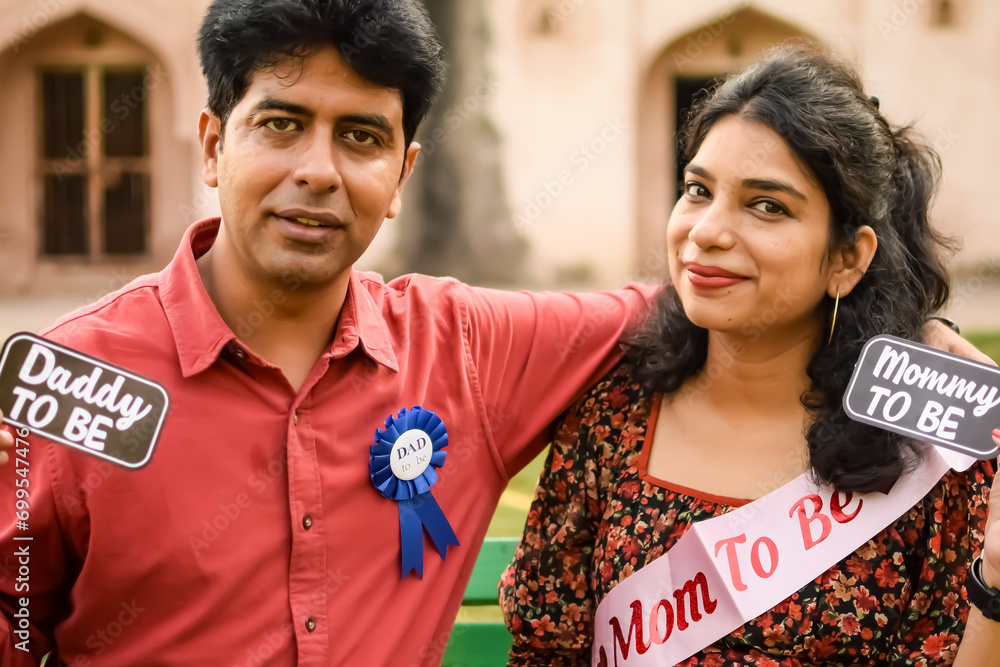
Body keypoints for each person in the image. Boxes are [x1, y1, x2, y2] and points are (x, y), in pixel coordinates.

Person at [0, 4, 983, 665]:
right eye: (280, 123)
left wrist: (914, 346)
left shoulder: (471, 347)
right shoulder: (73, 384)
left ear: (404, 167)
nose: (318, 170)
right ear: (213, 142)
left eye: (360, 137)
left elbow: (714, 293)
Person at [500, 46, 1000, 666]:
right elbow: (548, 649)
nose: (707, 230)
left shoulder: (928, 456)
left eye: (768, 205)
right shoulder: (614, 417)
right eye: (697, 189)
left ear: (847, 258)